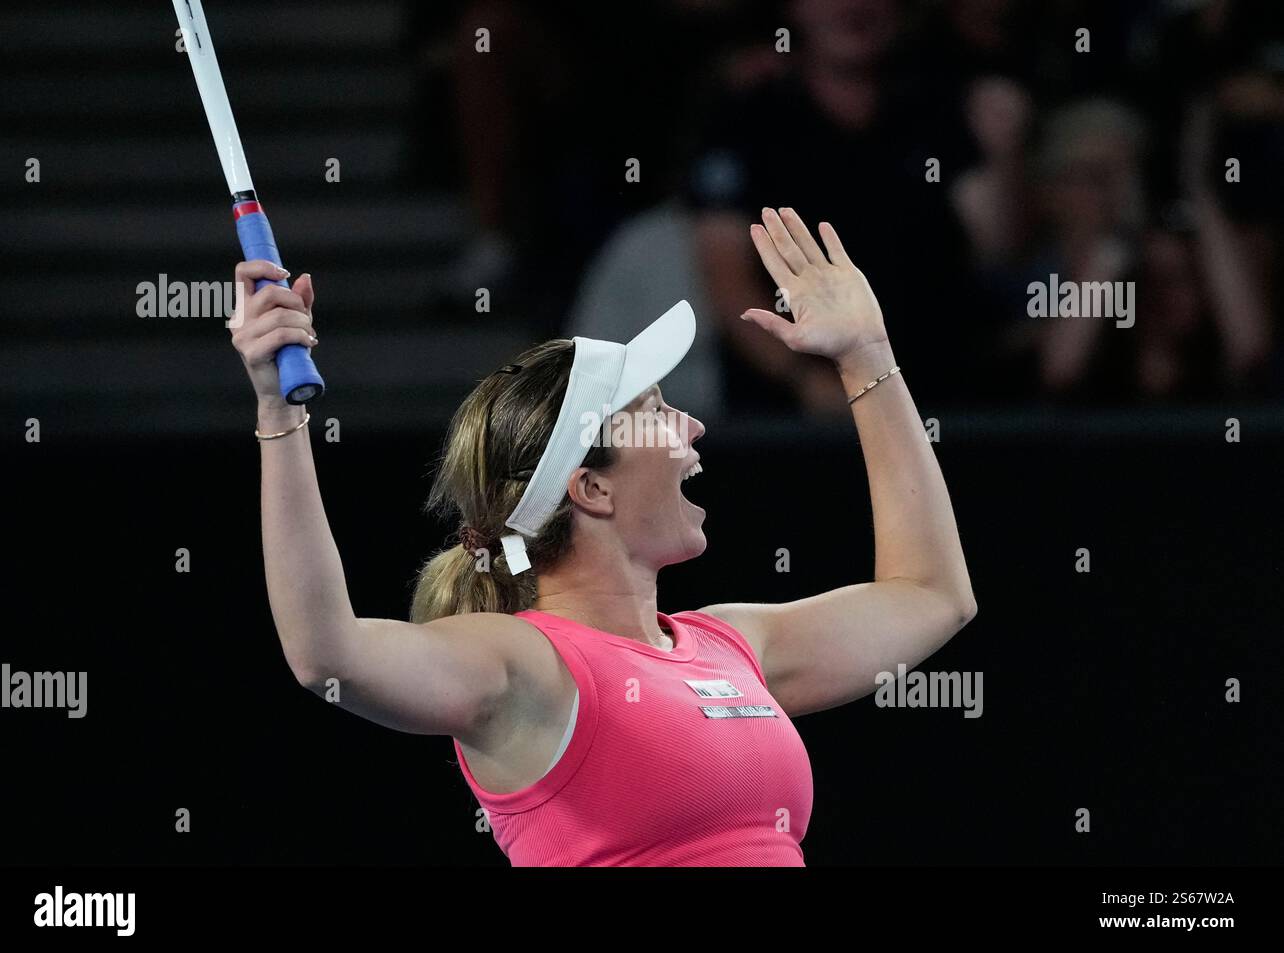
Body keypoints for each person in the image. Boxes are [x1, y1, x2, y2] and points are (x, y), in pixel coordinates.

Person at [230, 206, 977, 866]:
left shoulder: (731, 648)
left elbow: (931, 595)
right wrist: (278, 411)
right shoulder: (524, 665)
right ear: (590, 487)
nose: (693, 424)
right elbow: (325, 654)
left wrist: (867, 357)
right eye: (655, 410)